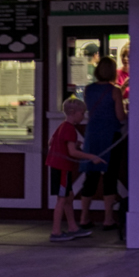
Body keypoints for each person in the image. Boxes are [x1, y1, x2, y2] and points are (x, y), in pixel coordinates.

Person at [82, 55, 127, 233]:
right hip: (110, 136)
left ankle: (84, 217)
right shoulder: (115, 91)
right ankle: (108, 219)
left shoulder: (88, 89)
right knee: (110, 176)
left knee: (91, 175)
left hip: (92, 135)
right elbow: (120, 116)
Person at [46, 96, 101, 242]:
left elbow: (51, 142)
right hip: (62, 168)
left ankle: (73, 227)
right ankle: (56, 232)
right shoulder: (70, 129)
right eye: (82, 113)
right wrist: (91, 157)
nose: (83, 116)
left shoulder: (62, 126)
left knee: (68, 196)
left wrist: (72, 144)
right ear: (73, 113)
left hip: (58, 166)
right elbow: (72, 152)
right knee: (62, 199)